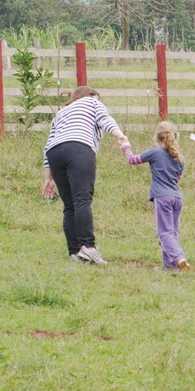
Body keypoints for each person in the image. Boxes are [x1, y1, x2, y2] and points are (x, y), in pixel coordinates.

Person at [40, 85, 130, 265]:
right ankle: (89, 247)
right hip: (79, 147)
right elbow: (104, 119)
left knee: (69, 205)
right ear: (89, 95)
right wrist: (119, 135)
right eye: (97, 97)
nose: (99, 100)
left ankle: (74, 252)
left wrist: (48, 178)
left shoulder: (61, 112)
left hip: (55, 153)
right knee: (82, 199)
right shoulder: (91, 102)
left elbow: (49, 142)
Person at [124, 120, 191, 271]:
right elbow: (177, 179)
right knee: (173, 232)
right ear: (175, 136)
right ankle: (169, 265)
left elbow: (132, 160)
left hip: (163, 197)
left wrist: (125, 146)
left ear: (157, 137)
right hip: (177, 197)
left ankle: (179, 258)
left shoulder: (154, 153)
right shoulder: (179, 158)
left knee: (164, 233)